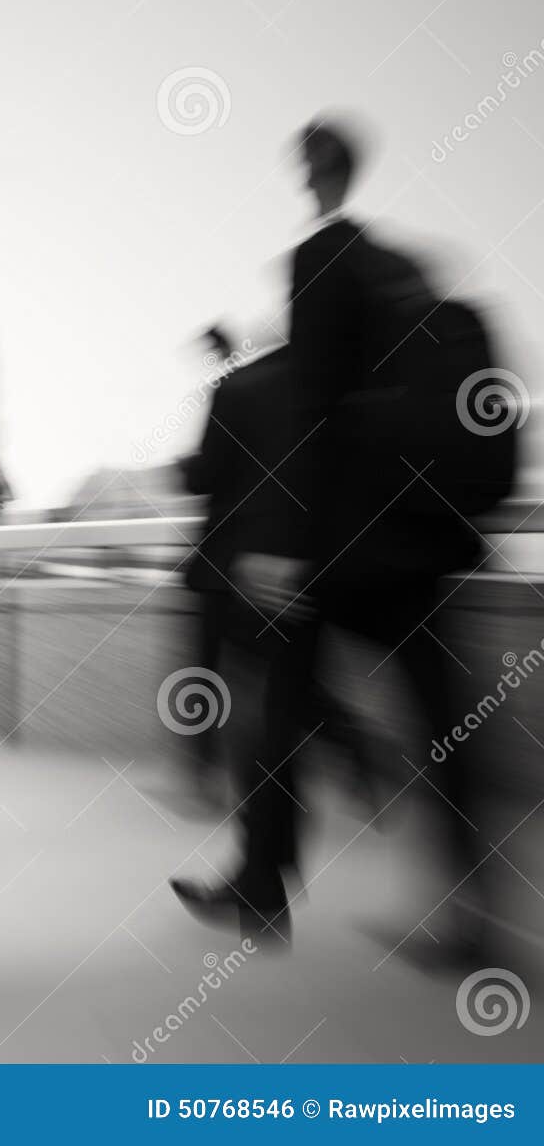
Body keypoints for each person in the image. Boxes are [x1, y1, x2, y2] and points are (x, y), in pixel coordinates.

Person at [171, 118, 493, 964]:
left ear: (308, 172)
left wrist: (282, 542)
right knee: (442, 714)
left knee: (274, 701)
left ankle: (261, 879)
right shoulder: (408, 271)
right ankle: (474, 909)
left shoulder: (321, 259)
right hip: (416, 540)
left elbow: (310, 412)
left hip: (336, 542)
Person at [177, 331, 379, 815]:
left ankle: (205, 775)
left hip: (226, 564)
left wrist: (185, 468)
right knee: (290, 675)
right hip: (294, 560)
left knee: (205, 671)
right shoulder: (322, 391)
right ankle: (350, 743)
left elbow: (206, 474)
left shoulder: (236, 389)